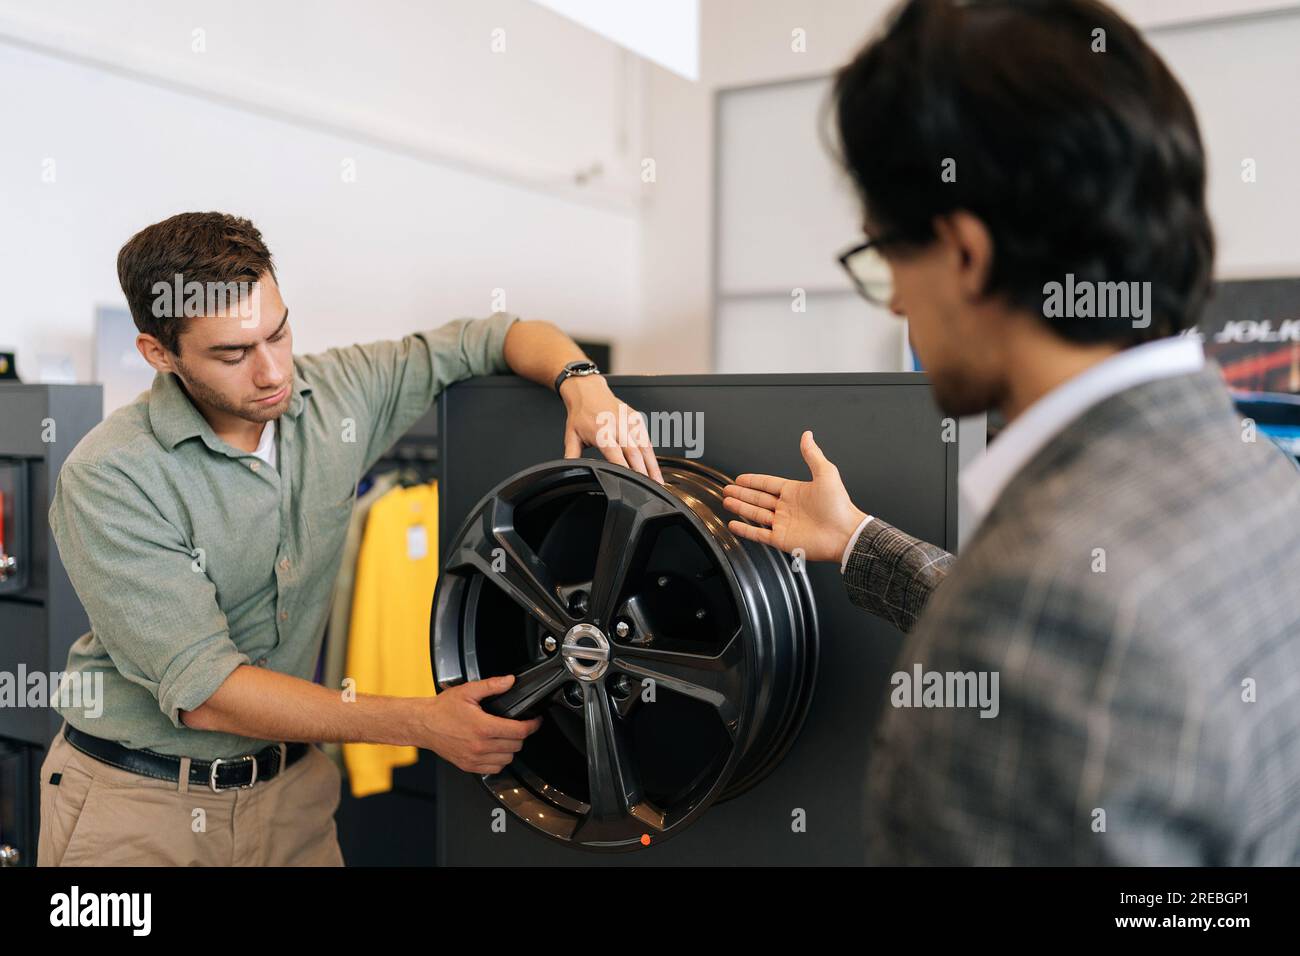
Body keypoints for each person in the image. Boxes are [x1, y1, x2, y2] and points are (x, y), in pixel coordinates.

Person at [722, 0, 1300, 864]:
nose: (895, 301)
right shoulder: (1260, 480)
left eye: (886, 254)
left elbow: (1042, 635)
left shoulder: (1032, 613)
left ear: (964, 254)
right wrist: (858, 543)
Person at [39, 210, 660, 866]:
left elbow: (497, 335)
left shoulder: (338, 393)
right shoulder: (110, 476)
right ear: (158, 354)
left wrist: (581, 383)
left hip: (291, 803)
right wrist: (419, 721)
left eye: (278, 334)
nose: (272, 371)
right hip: (139, 808)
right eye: (232, 354)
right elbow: (208, 693)